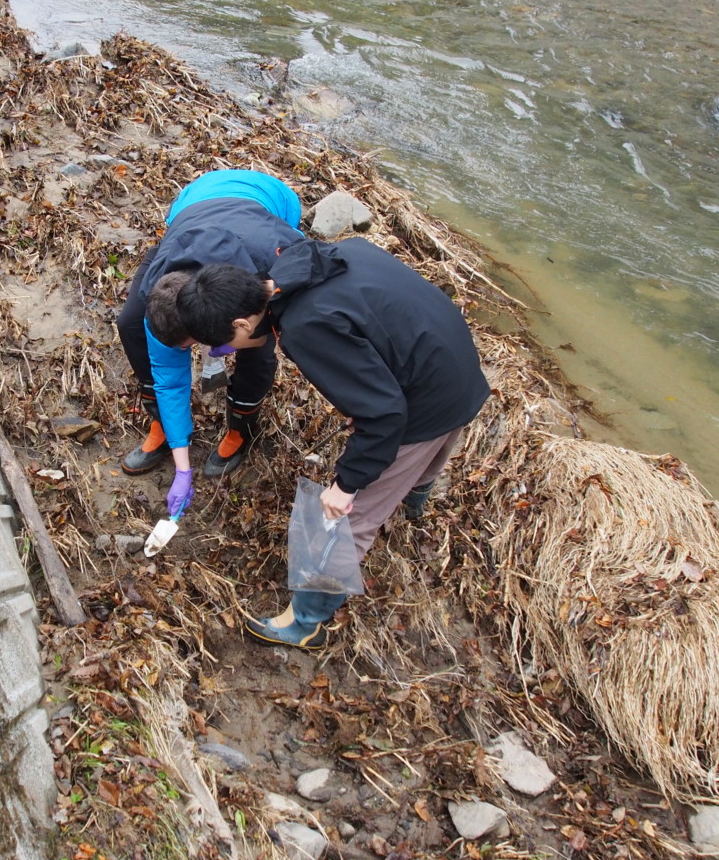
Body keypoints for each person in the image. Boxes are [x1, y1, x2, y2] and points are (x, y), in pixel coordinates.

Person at [151, 235, 489, 649]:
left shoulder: (307, 327)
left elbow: (386, 416)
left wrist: (346, 486)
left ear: (241, 324)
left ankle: (305, 622)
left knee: (345, 521)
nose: (226, 352)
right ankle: (414, 498)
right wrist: (365, 393)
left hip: (427, 400)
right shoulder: (298, 263)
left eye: (222, 346)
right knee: (422, 449)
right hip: (456, 362)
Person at [115, 169, 307, 517]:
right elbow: (170, 378)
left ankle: (240, 430)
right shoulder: (160, 293)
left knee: (258, 348)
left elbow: (312, 267)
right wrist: (183, 468)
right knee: (129, 323)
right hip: (196, 202)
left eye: (189, 343)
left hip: (267, 205)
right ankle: (163, 425)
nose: (185, 351)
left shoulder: (269, 257)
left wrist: (237, 341)